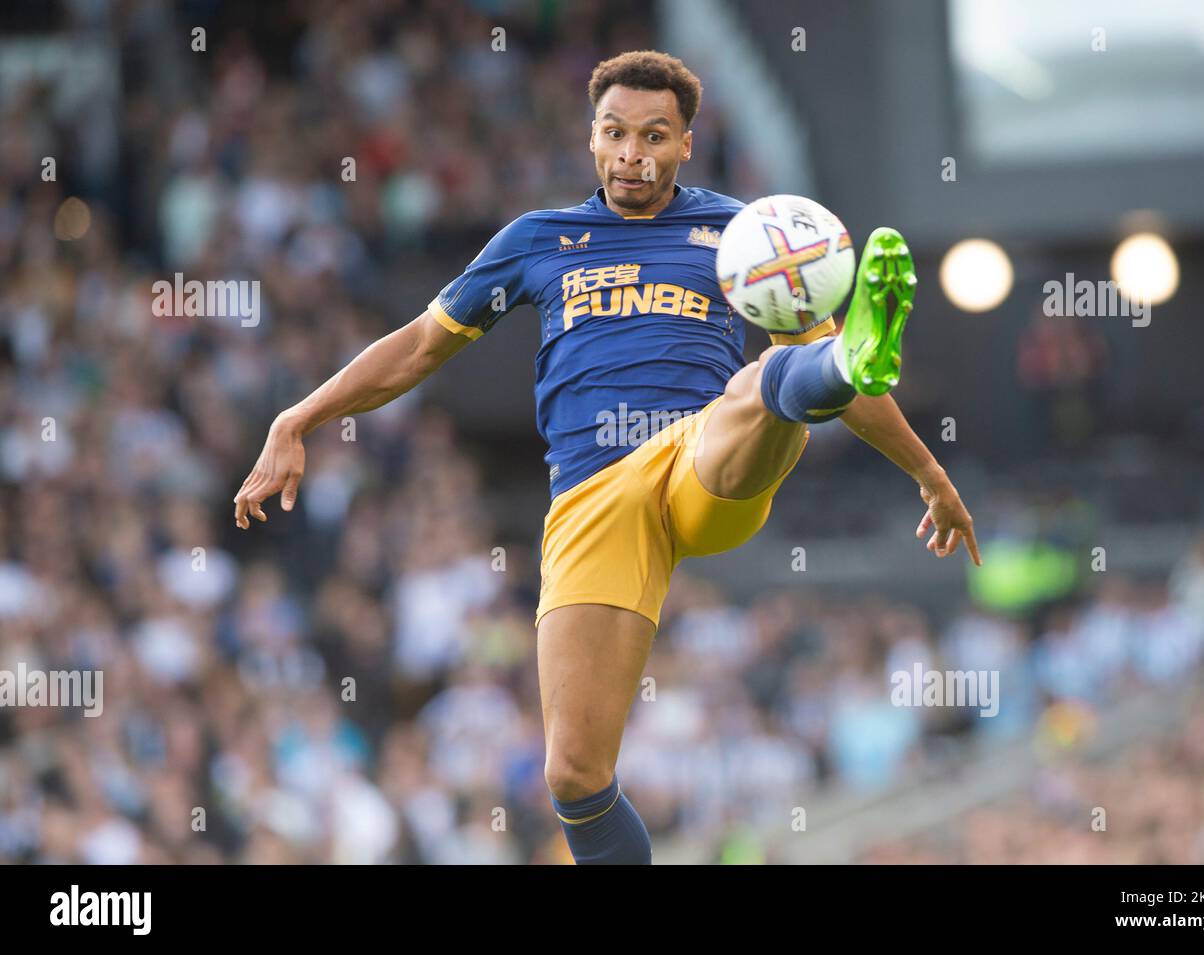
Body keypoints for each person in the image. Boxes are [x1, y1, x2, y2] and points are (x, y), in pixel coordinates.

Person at [233, 50, 980, 864]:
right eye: (617, 133)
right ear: (592, 138)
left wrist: (927, 470)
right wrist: (299, 416)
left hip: (699, 462)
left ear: (686, 143)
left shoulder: (741, 229)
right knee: (575, 774)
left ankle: (840, 354)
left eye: (655, 136)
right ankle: (833, 359)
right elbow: (416, 349)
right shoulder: (536, 241)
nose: (634, 153)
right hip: (591, 502)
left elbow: (842, 384)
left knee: (768, 376)